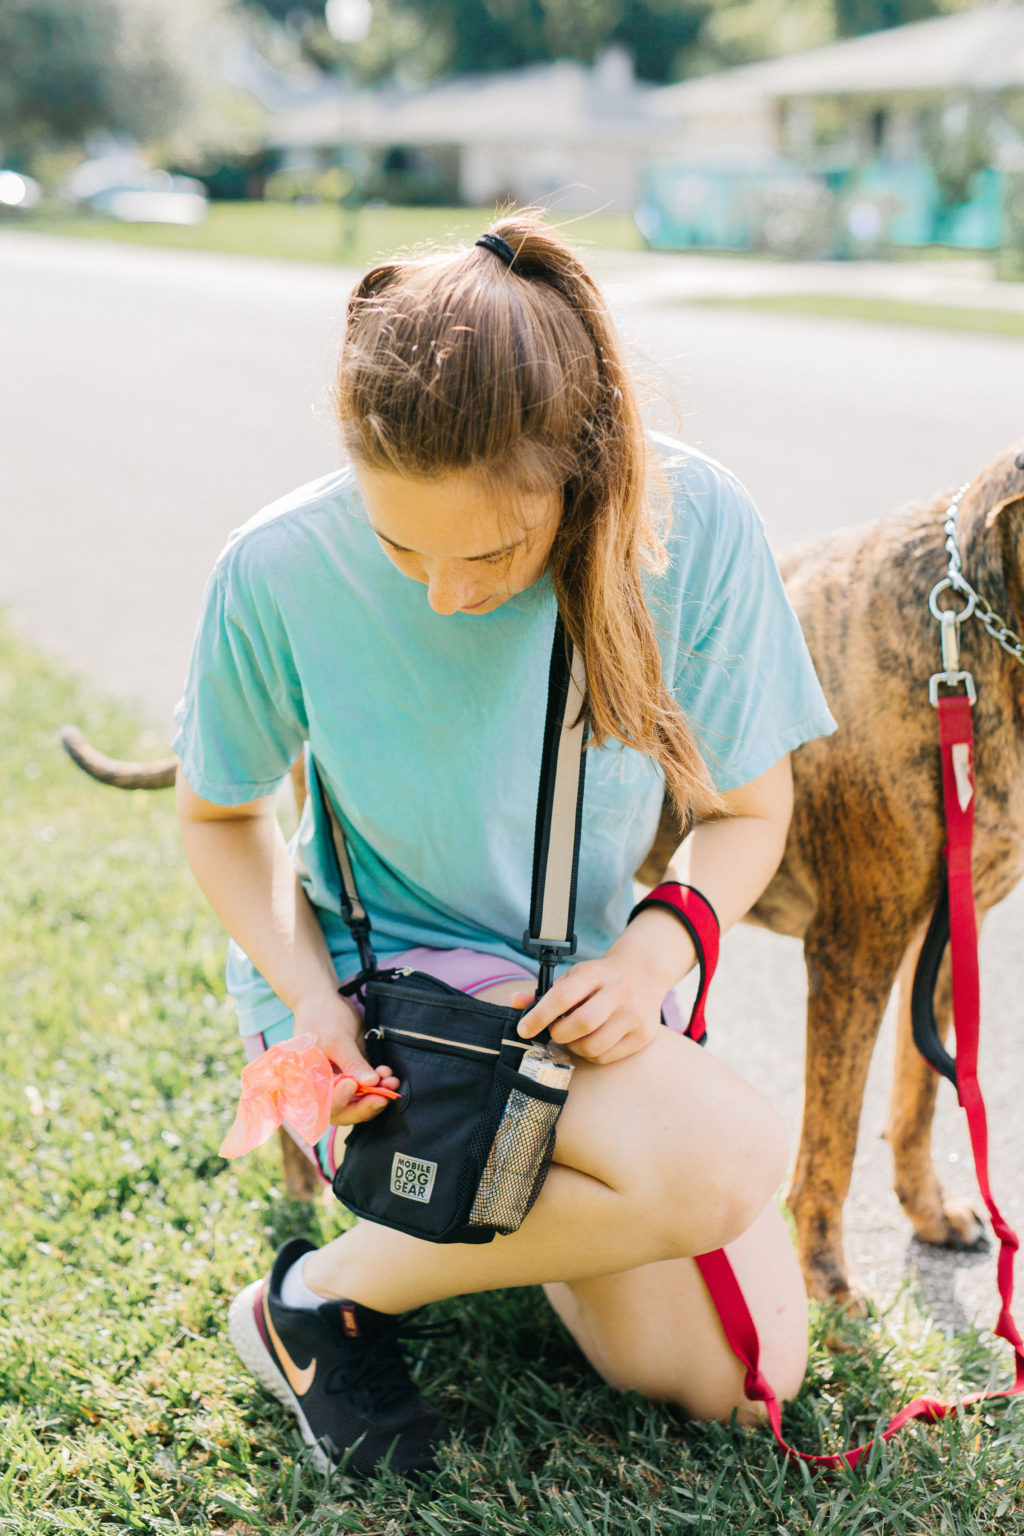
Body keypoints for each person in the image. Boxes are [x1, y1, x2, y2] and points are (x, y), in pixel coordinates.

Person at [172, 215, 837, 1479]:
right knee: (725, 1155)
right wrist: (312, 1002)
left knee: (730, 1389)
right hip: (364, 1021)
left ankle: (466, 1210)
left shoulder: (692, 523)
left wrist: (652, 958)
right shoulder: (274, 566)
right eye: (397, 544)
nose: (442, 591)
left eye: (490, 552)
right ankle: (318, 1301)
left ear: (583, 473)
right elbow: (219, 818)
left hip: (568, 1004)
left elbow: (748, 813)